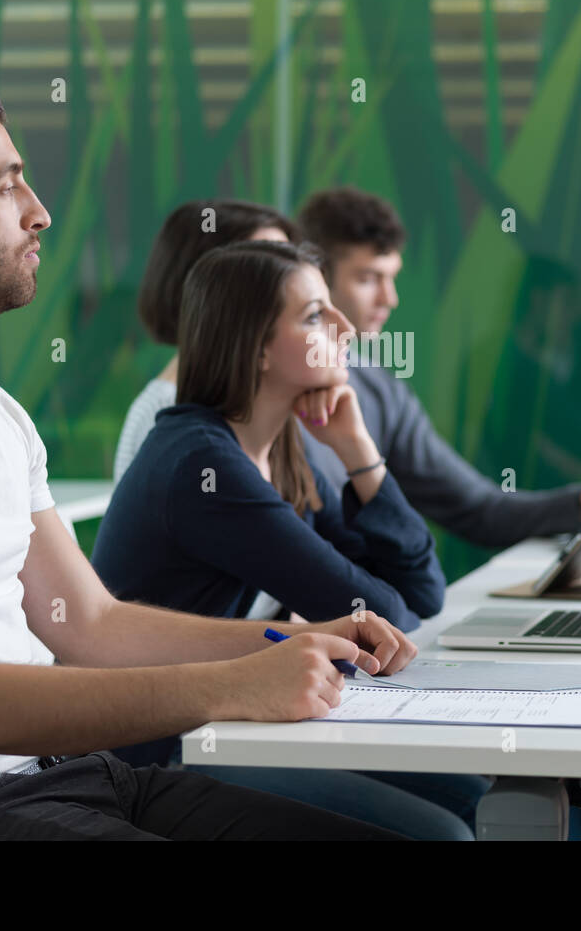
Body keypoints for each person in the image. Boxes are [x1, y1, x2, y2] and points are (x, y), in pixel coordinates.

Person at [0, 67, 414, 841]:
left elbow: (90, 623)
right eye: (6, 188)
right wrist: (236, 684)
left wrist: (298, 636)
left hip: (62, 777)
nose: (41, 214)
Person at [297, 186, 581, 842]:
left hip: (392, 637)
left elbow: (474, 506)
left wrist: (578, 501)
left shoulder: (376, 388)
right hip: (348, 659)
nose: (388, 299)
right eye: (368, 277)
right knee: (541, 787)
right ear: (312, 279)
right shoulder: (276, 406)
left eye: (393, 278)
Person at [93, 240, 487, 839]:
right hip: (164, 748)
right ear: (255, 348)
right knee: (445, 833)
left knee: (476, 792)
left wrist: (358, 453)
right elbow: (383, 616)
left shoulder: (280, 449)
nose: (345, 327)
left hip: (233, 717)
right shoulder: (203, 465)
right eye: (313, 316)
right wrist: (377, 611)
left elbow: (422, 592)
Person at [114, 200, 298, 485]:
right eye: (265, 273)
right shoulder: (167, 413)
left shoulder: (253, 403)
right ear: (205, 287)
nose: (290, 289)